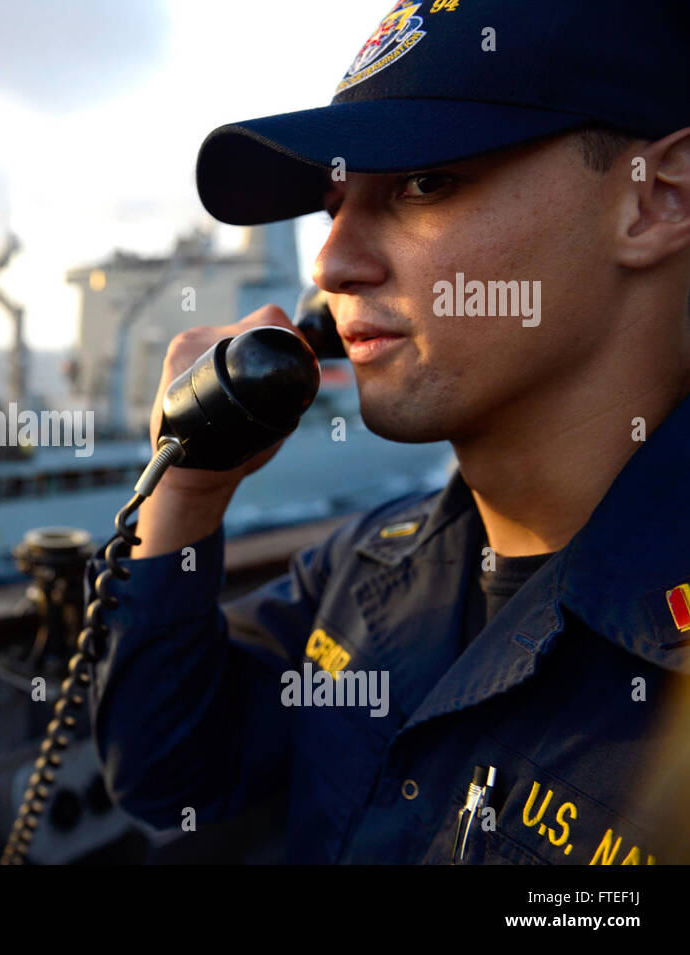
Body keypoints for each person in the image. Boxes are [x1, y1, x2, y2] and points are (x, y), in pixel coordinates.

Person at [87, 0, 690, 863]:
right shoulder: (366, 568)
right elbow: (171, 776)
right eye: (335, 204)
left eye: (423, 183)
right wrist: (187, 488)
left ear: (655, 198)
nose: (331, 265)